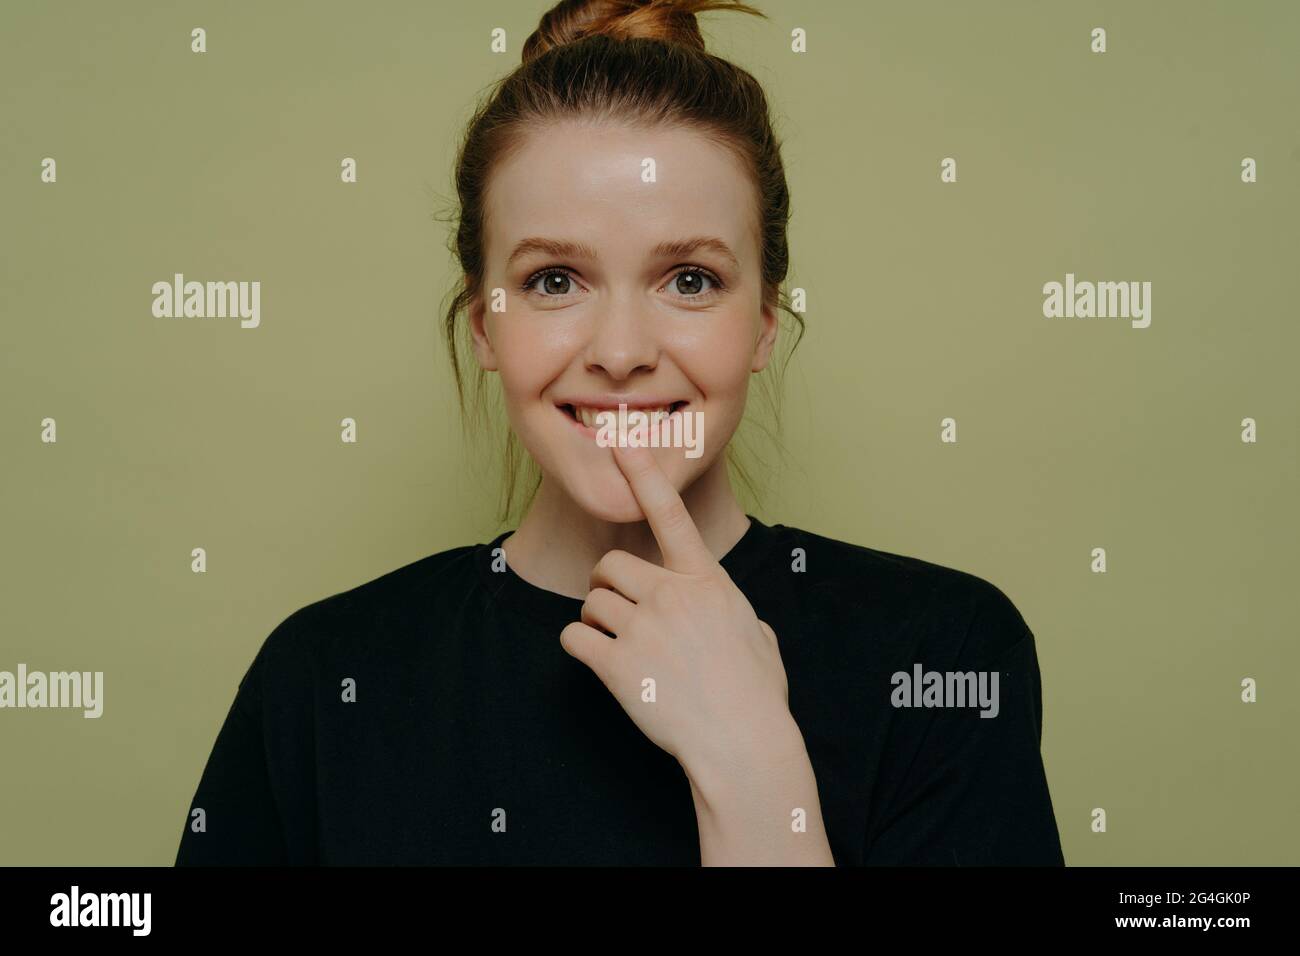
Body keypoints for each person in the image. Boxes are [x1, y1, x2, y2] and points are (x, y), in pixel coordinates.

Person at [175, 0, 1065, 866]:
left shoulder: (944, 656)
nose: (622, 352)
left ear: (763, 320)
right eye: (555, 280)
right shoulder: (321, 681)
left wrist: (754, 773)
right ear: (484, 327)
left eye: (689, 279)